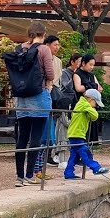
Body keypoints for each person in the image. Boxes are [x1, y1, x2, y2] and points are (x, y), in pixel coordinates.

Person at [13, 21, 56, 186]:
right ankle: (30, 174)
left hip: (22, 98)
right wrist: (49, 81)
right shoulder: (44, 49)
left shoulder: (19, 48)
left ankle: (19, 176)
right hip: (39, 95)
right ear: (43, 34)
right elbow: (50, 74)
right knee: (36, 138)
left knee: (22, 137)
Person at [64, 89, 109, 179]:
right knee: (85, 152)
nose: (96, 107)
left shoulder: (82, 105)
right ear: (91, 99)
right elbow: (95, 116)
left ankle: (68, 173)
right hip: (77, 134)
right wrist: (91, 109)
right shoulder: (84, 104)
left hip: (75, 133)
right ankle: (96, 167)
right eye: (96, 104)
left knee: (75, 155)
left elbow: (91, 117)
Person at [41, 35, 63, 168]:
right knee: (44, 124)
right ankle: (42, 154)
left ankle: (49, 154)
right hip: (43, 92)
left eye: (58, 45)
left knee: (51, 124)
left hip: (52, 94)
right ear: (47, 44)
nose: (57, 47)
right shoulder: (41, 57)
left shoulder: (58, 61)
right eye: (55, 44)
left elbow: (57, 79)